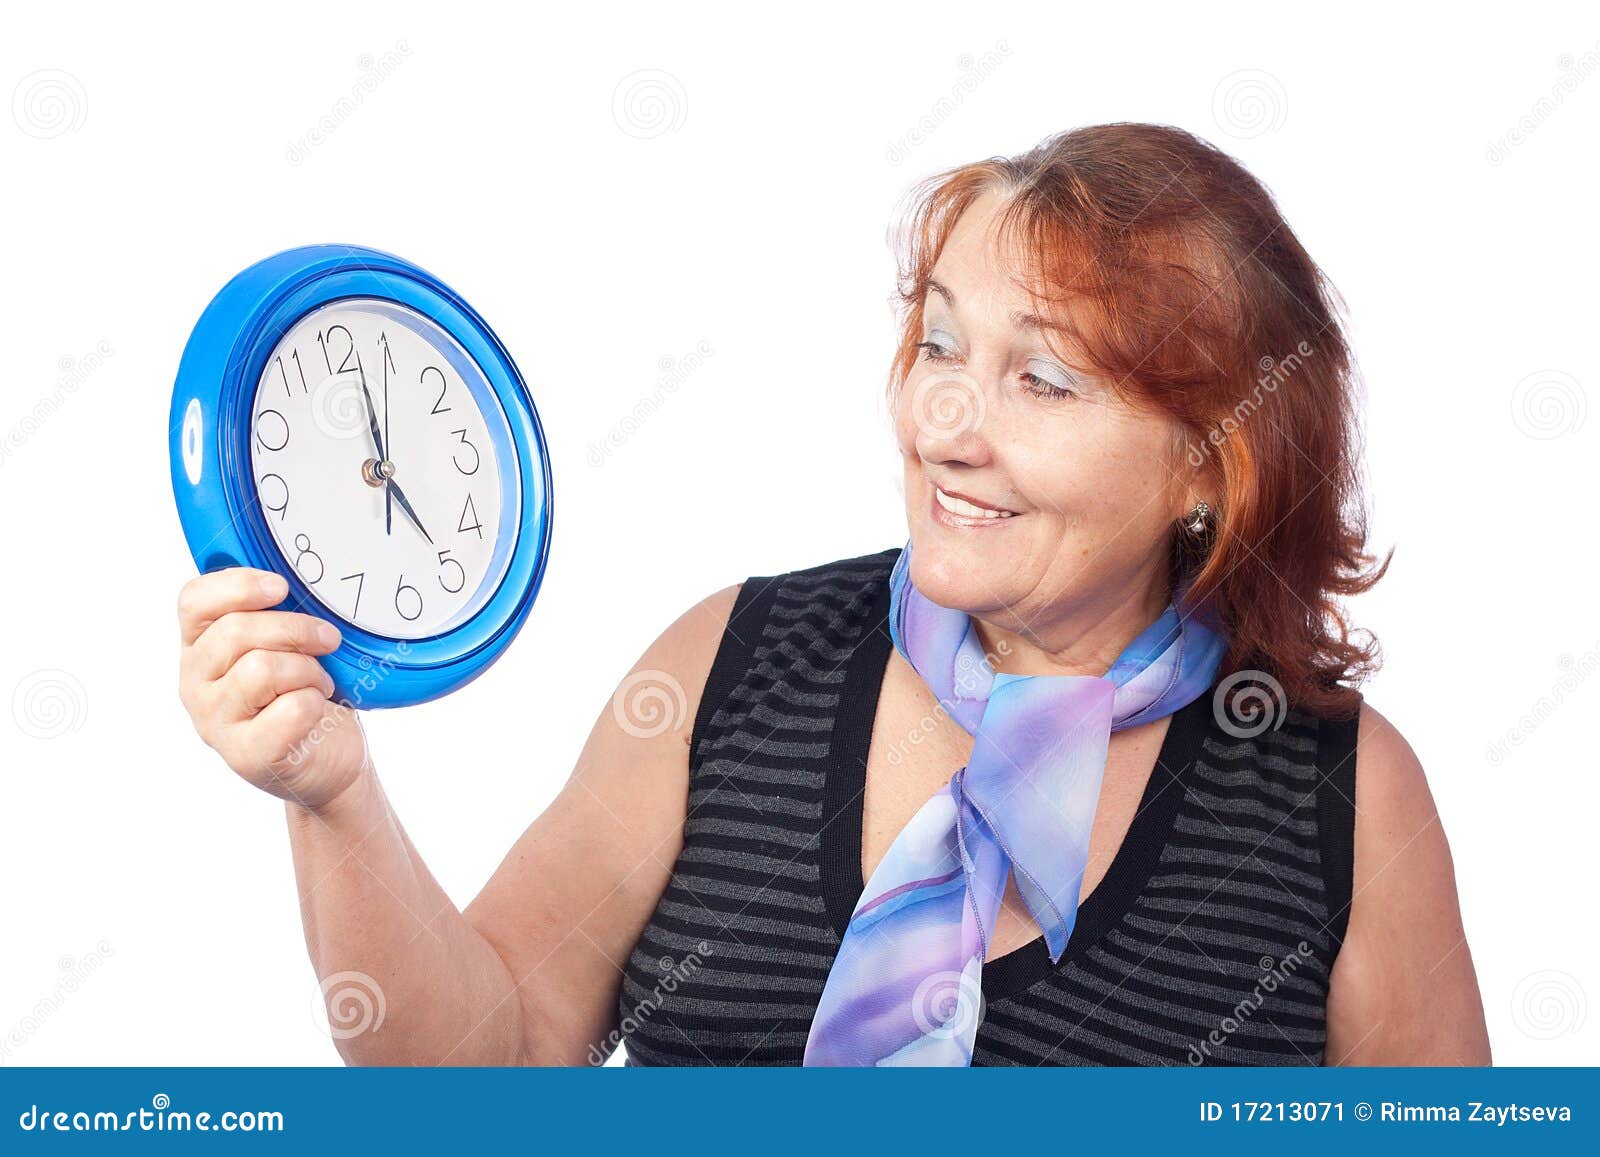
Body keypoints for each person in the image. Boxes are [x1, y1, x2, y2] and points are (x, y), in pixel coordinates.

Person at [176, 123, 1490, 1066]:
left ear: (1210, 466)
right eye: (938, 342)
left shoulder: (1345, 799)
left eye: (1043, 381)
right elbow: (485, 1071)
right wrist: (332, 793)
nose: (946, 423)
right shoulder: (727, 666)